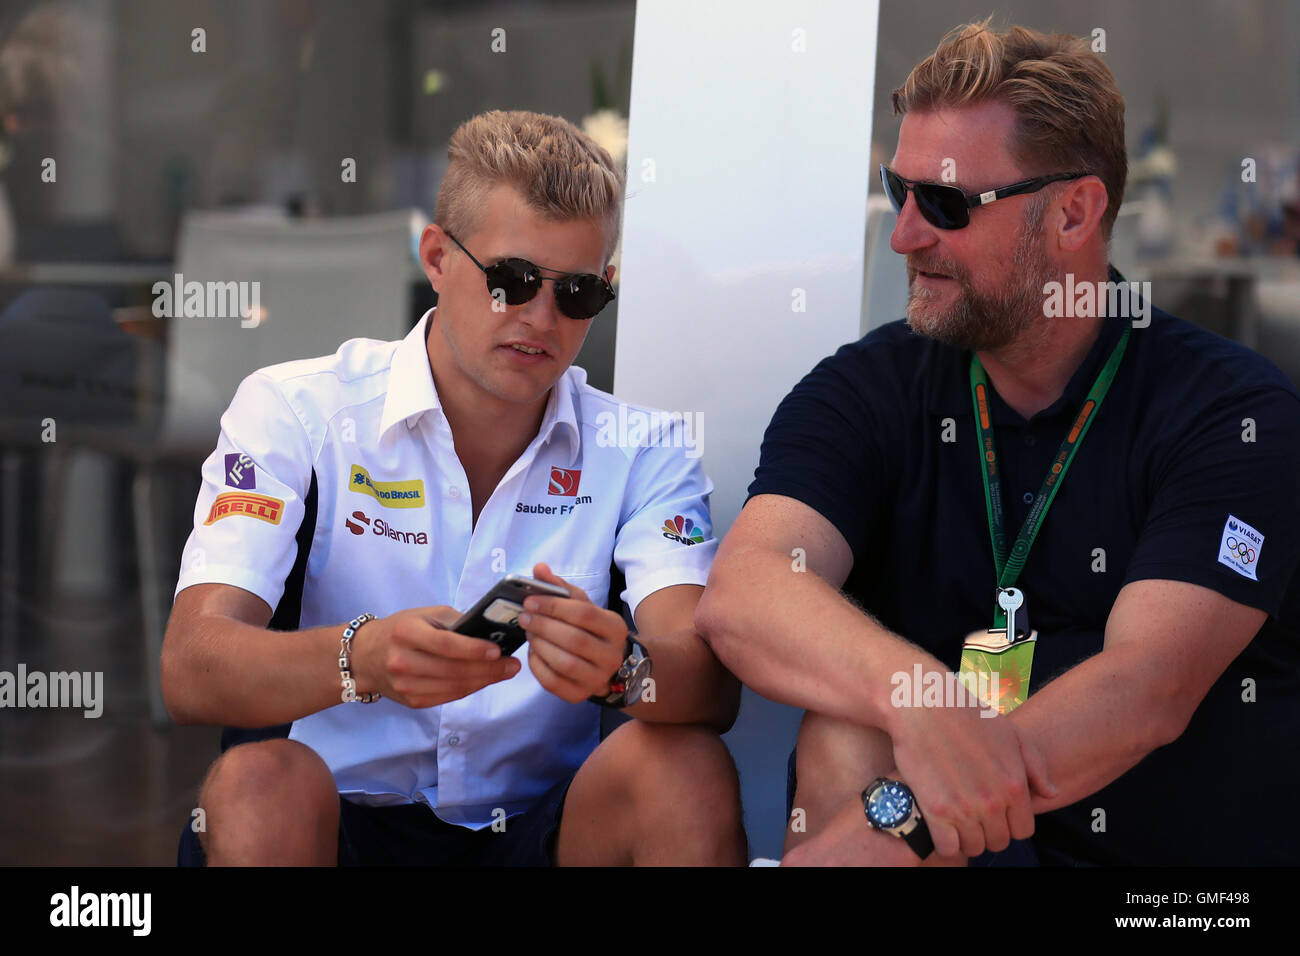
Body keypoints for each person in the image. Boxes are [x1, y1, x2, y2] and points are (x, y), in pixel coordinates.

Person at [695, 20, 1300, 866]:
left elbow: (1144, 691)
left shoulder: (1232, 410)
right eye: (895, 190)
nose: (905, 235)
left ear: (1074, 213)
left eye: (945, 203)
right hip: (954, 846)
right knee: (844, 735)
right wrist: (920, 699)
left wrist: (899, 827)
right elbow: (746, 592)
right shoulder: (866, 389)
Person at [164, 110, 745, 866]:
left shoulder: (642, 447)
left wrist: (626, 668)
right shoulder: (299, 410)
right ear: (436, 257)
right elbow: (191, 666)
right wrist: (360, 659)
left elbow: (709, 689)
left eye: (576, 295)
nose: (540, 317)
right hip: (335, 822)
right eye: (510, 281)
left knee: (685, 770)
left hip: (543, 831)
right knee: (258, 781)